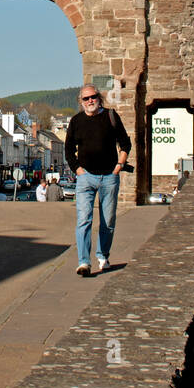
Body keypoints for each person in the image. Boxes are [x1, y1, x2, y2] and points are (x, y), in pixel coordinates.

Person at [64, 84, 131, 277]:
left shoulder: (110, 116)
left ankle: (102, 255)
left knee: (108, 221)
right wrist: (78, 170)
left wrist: (119, 166)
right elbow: (69, 150)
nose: (90, 101)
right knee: (84, 220)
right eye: (86, 99)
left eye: (93, 97)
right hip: (86, 178)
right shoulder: (76, 121)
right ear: (81, 102)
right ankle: (84, 262)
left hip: (109, 177)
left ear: (99, 98)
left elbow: (125, 143)